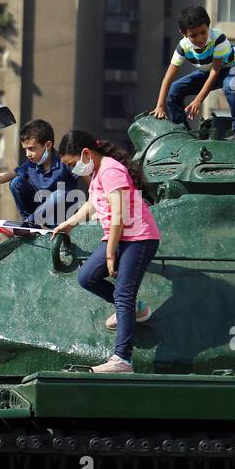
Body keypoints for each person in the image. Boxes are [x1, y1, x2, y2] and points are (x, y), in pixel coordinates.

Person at [53, 130, 161, 374]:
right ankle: (136, 309)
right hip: (120, 236)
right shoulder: (98, 171)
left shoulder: (111, 170)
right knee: (87, 277)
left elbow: (119, 215)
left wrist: (111, 253)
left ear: (86, 153)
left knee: (124, 293)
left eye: (72, 163)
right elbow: (93, 204)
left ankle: (123, 360)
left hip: (138, 238)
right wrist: (71, 222)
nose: (73, 170)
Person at [151, 5, 235, 142]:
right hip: (207, 72)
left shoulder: (218, 39)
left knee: (231, 88)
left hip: (232, 67)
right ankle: (181, 130)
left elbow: (215, 73)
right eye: (193, 35)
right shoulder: (183, 47)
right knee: (175, 89)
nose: (200, 39)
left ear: (208, 27)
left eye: (203, 32)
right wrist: (160, 106)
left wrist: (198, 100)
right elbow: (167, 78)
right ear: (184, 34)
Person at [0, 119, 80, 227]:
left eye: (31, 149)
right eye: (25, 149)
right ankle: (28, 222)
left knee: (58, 195)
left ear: (47, 145)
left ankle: (31, 222)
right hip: (41, 213)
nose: (27, 154)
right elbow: (2, 177)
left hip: (63, 214)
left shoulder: (66, 162)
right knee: (16, 182)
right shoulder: (30, 165)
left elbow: (91, 180)